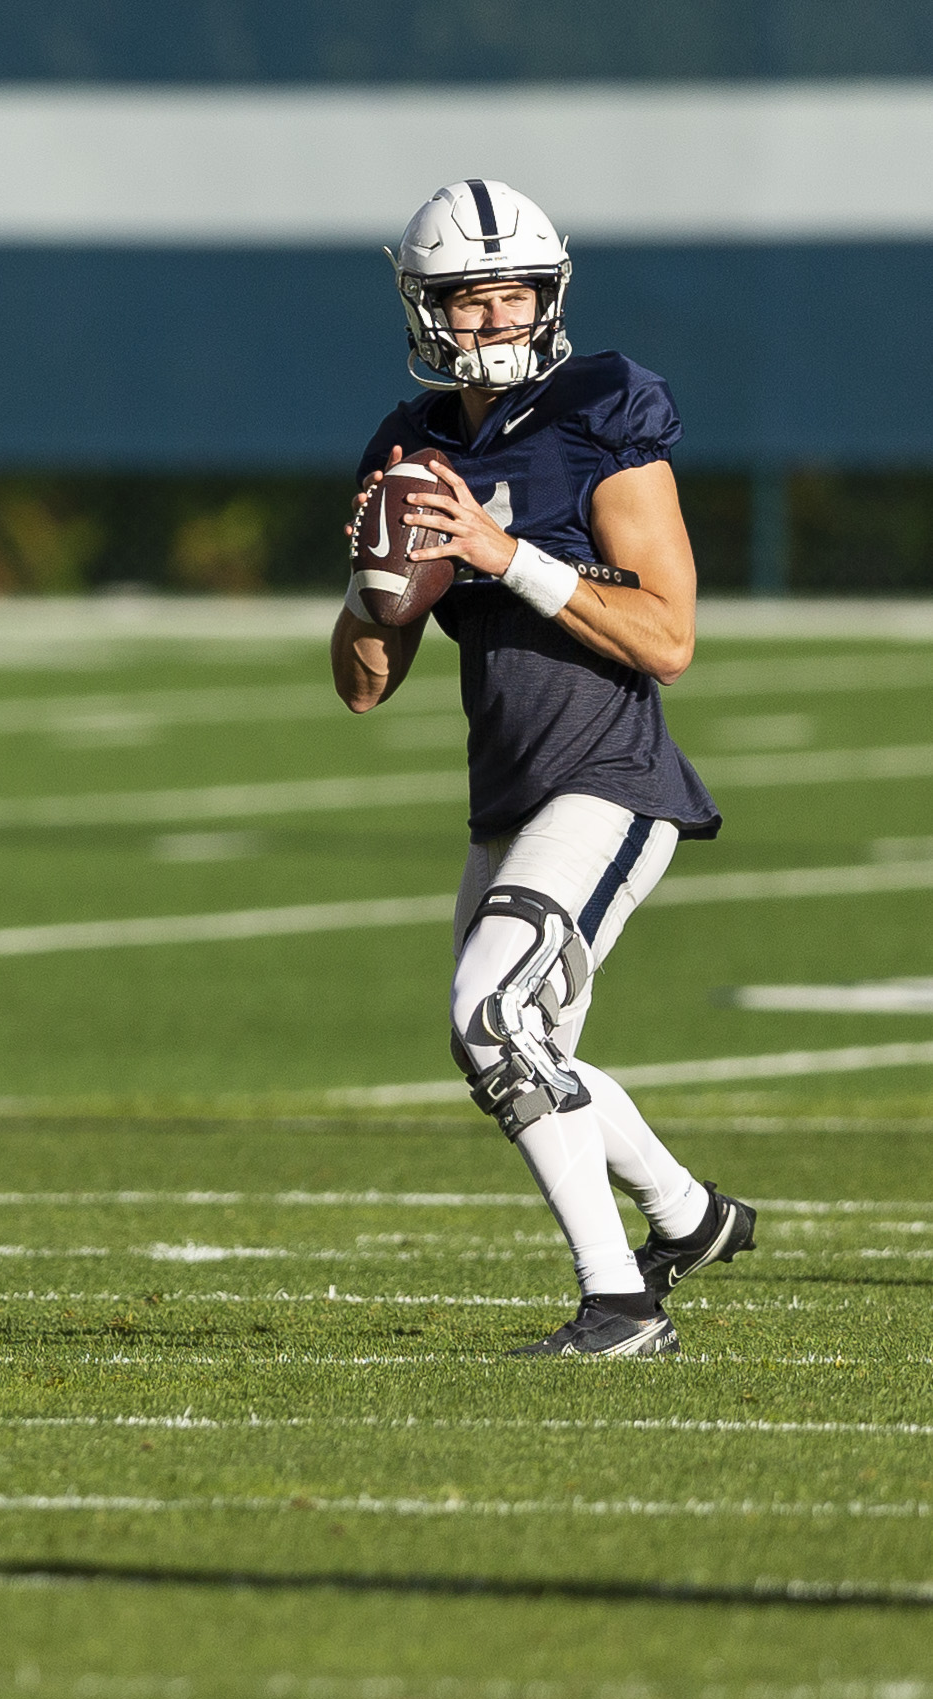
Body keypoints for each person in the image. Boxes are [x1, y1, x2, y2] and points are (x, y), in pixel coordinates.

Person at [334, 178, 754, 1356]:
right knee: (513, 1047)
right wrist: (375, 586)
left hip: (609, 776)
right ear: (427, 311)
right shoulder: (412, 442)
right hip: (506, 795)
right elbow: (363, 684)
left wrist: (502, 553)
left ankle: (620, 1304)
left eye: (516, 292)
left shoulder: (601, 409)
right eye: (471, 301)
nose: (499, 318)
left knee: (492, 1013)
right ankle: (688, 1213)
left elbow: (667, 635)